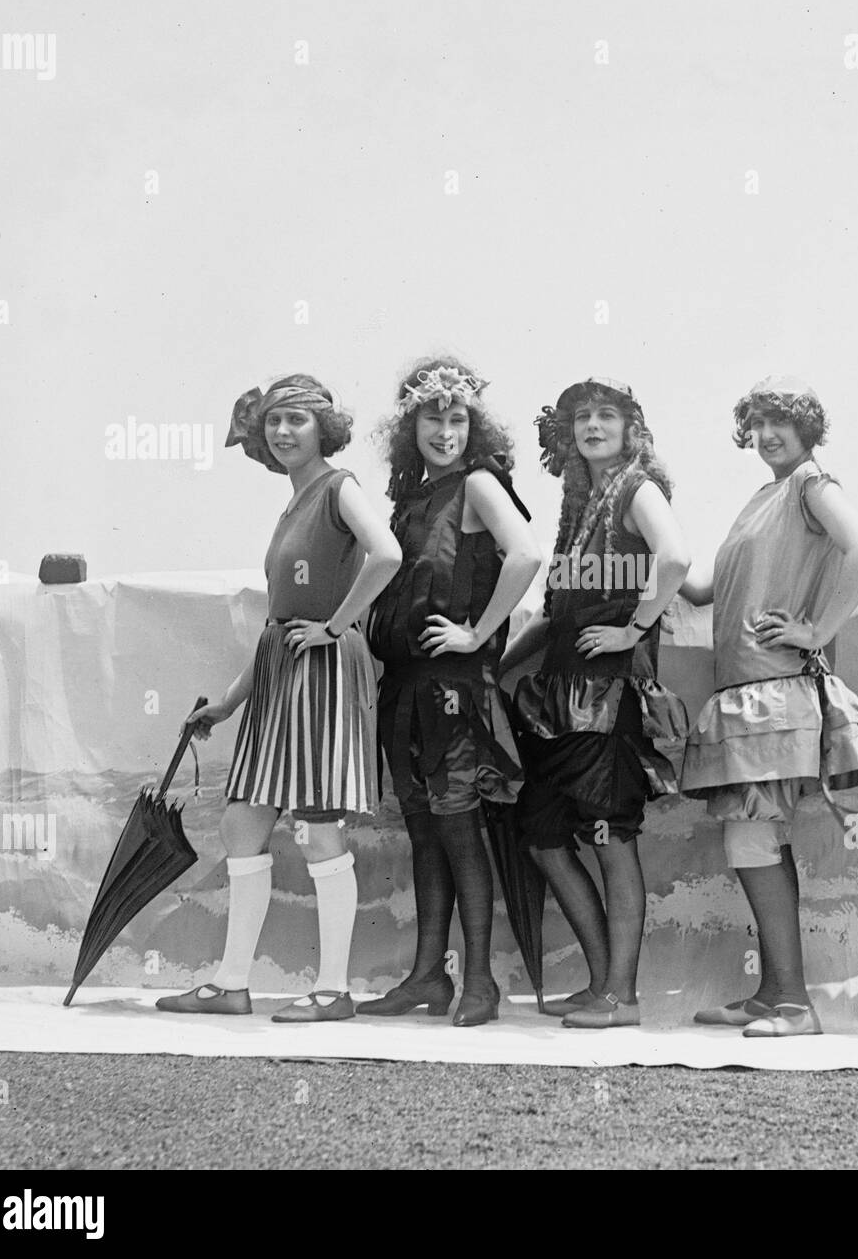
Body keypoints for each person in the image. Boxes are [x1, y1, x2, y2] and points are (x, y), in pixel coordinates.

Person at [157, 374, 401, 1022]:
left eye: (296, 419)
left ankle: (332, 989)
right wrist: (230, 702)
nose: (284, 431)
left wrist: (337, 625)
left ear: (323, 425)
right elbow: (277, 623)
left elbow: (387, 554)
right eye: (274, 423)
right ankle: (231, 982)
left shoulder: (337, 487)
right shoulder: (293, 503)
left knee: (319, 826)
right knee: (243, 819)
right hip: (278, 675)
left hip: (321, 673)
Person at [680, 376, 858, 1037]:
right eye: (759, 423)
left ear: (807, 429)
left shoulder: (811, 485)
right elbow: (705, 588)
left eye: (781, 423)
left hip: (775, 692)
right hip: (743, 693)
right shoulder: (764, 496)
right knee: (754, 834)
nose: (768, 434)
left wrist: (816, 631)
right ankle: (774, 993)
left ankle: (795, 1003)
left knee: (752, 834)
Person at [501, 378, 690, 1029]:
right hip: (556, 704)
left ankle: (623, 995)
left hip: (607, 702)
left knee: (612, 841)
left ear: (630, 427)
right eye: (582, 416)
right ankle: (603, 980)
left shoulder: (636, 489)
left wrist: (634, 627)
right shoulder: (579, 506)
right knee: (543, 837)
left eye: (607, 414)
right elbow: (554, 616)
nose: (592, 425)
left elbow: (677, 557)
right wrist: (489, 664)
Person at [360, 359, 541, 1027]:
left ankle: (482, 982)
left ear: (474, 425)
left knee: (462, 834)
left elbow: (524, 554)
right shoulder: (410, 501)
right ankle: (427, 975)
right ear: (411, 427)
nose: (445, 429)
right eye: (432, 417)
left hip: (455, 691)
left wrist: (476, 633)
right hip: (406, 687)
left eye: (457, 417)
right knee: (424, 834)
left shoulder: (478, 484)